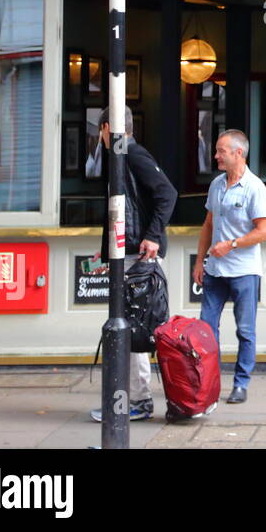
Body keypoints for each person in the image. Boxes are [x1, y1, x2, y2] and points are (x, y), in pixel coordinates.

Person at [89, 105, 177, 423]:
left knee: (134, 329)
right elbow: (116, 209)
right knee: (128, 328)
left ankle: (138, 401)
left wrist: (153, 236)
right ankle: (132, 400)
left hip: (138, 256)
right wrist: (106, 253)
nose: (99, 138)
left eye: (100, 131)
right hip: (126, 254)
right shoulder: (121, 157)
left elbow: (167, 193)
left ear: (108, 128)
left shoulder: (133, 153)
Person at [194, 129, 266, 404]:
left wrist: (232, 244)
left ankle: (241, 383)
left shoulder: (255, 188)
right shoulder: (216, 185)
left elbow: (264, 232)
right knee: (206, 328)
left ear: (238, 153)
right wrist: (199, 260)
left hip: (243, 272)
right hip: (215, 271)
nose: (216, 156)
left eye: (221, 151)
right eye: (216, 151)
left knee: (245, 330)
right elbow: (208, 224)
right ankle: (208, 381)